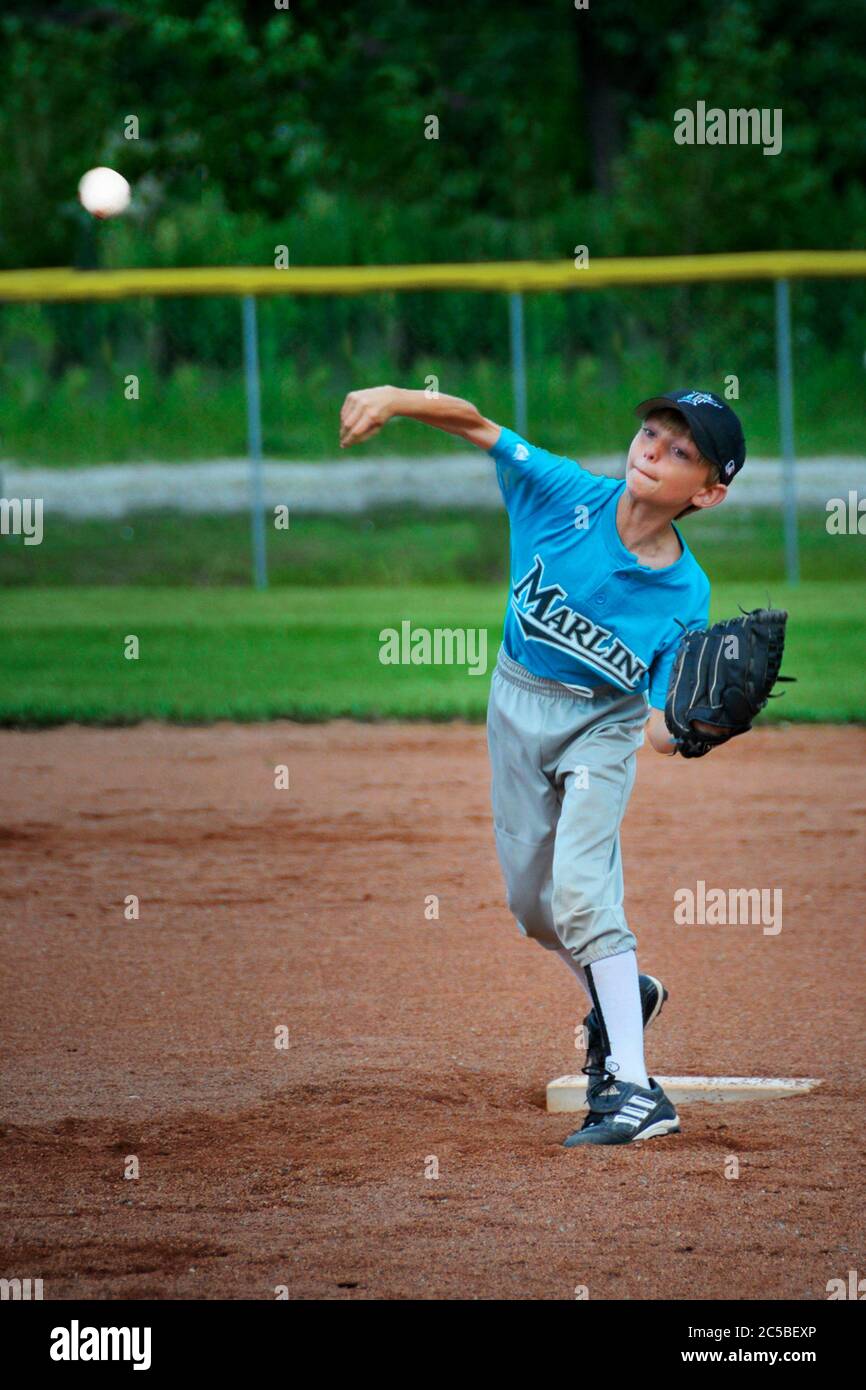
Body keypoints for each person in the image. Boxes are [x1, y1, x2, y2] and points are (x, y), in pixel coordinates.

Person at [339, 385, 746, 1146]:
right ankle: (628, 991)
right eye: (653, 431)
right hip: (516, 704)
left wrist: (696, 729)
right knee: (534, 908)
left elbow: (656, 730)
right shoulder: (563, 491)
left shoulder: (686, 593)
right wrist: (392, 399)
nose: (654, 449)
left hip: (602, 725)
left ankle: (634, 1090)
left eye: (682, 450)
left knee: (585, 889)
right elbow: (479, 424)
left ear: (710, 493)